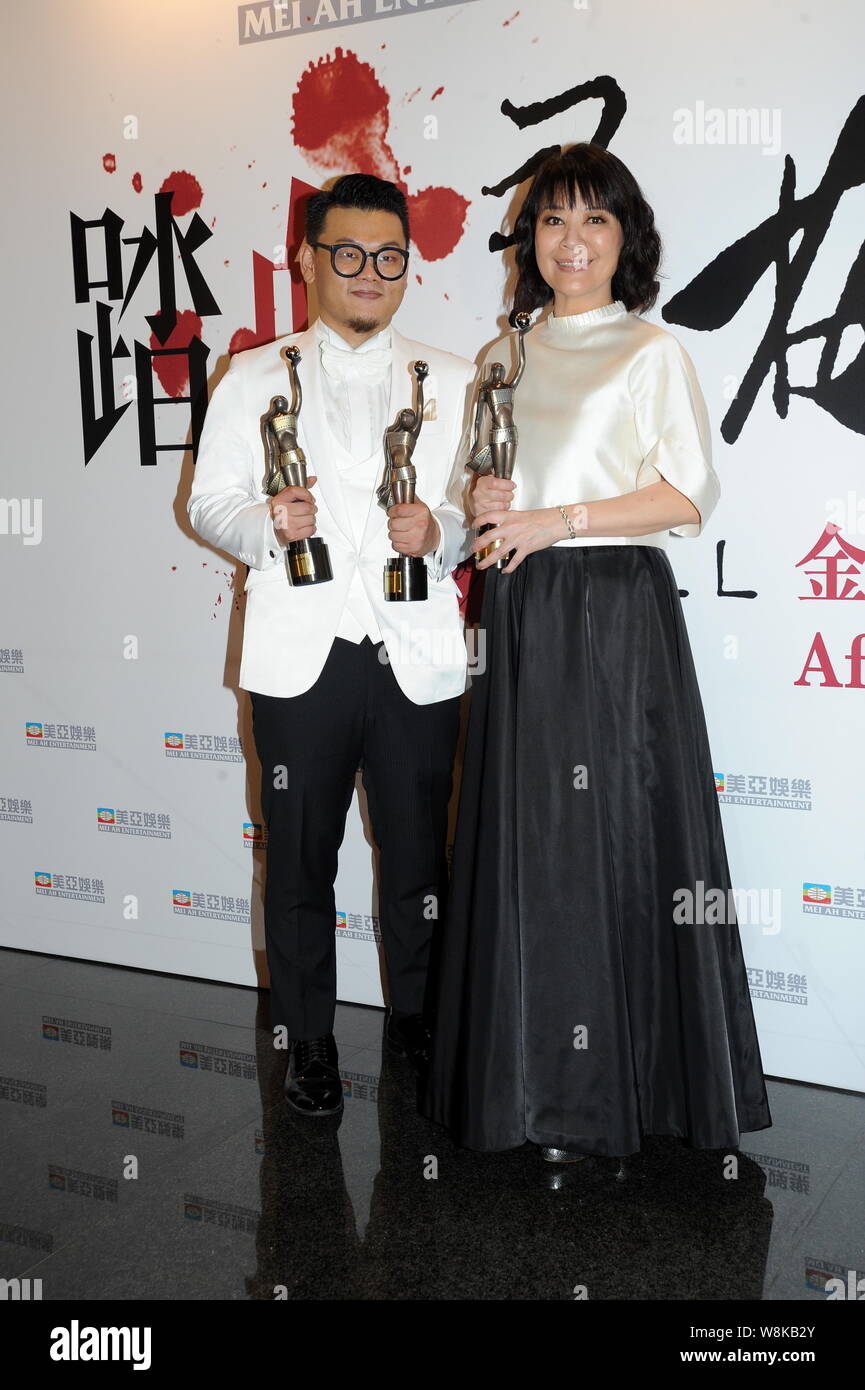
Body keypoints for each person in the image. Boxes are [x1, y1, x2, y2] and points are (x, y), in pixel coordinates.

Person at [421, 143, 772, 1162]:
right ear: (528, 241)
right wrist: (480, 507)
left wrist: (558, 519)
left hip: (613, 610)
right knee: (527, 842)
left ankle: (625, 1094)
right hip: (521, 610)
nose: (570, 242)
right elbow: (472, 497)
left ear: (626, 240)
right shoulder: (502, 355)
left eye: (593, 221)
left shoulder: (648, 349)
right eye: (550, 221)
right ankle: (533, 1093)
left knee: (613, 831)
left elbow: (686, 493)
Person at [188, 174, 475, 1116]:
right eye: (346, 254)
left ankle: (419, 1023)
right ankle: (308, 1042)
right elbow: (209, 503)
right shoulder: (253, 376)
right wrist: (267, 523)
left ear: (407, 268)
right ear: (308, 260)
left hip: (415, 654)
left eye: (387, 258)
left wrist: (441, 533)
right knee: (300, 856)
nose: (367, 273)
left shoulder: (456, 378)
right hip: (300, 657)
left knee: (417, 859)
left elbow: (479, 508)